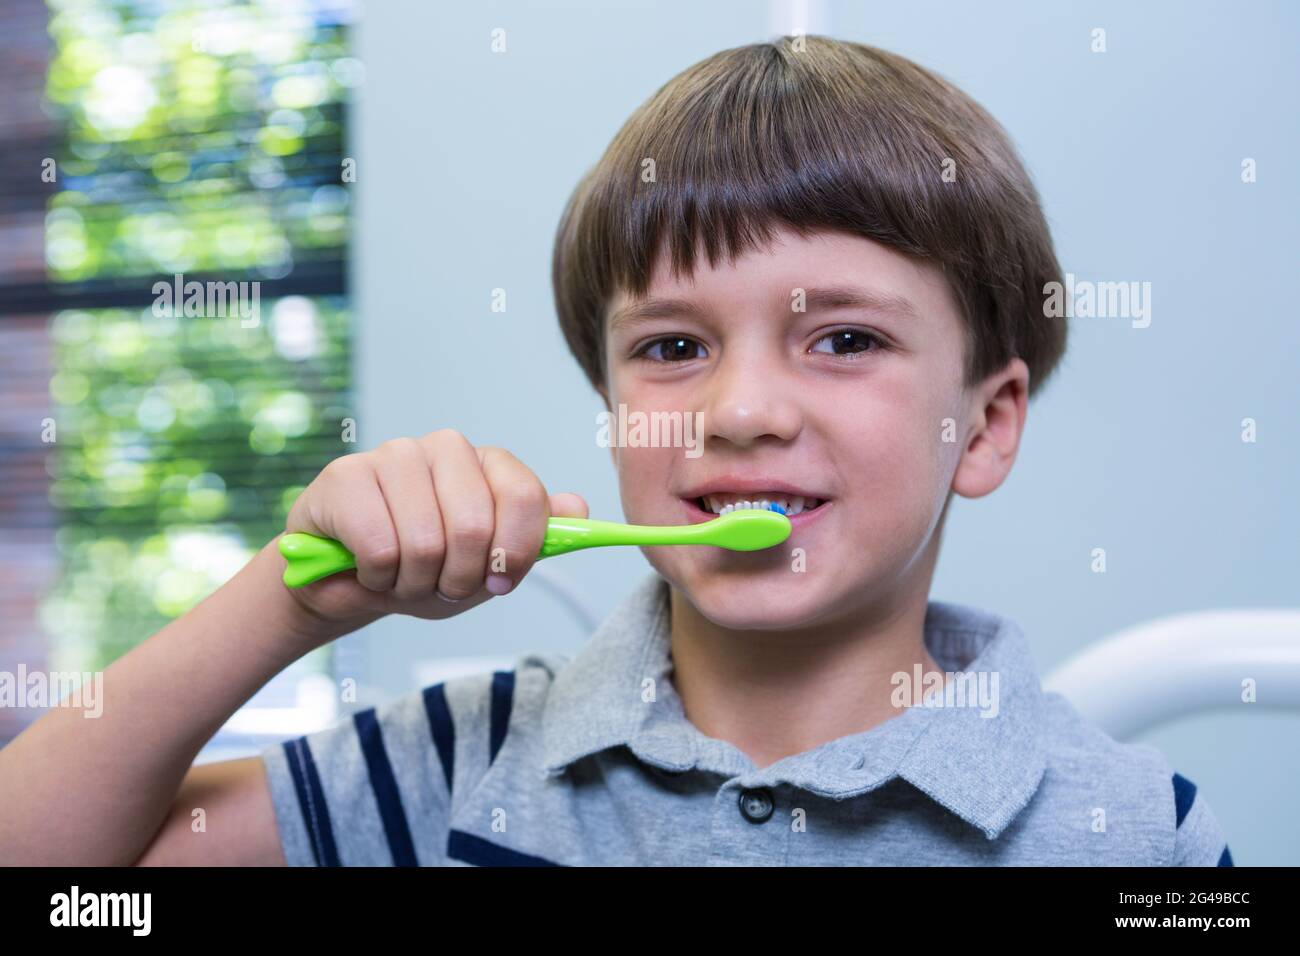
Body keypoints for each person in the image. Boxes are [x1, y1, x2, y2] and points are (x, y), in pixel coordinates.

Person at [0, 35, 1231, 866]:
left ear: (988, 422)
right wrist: (283, 601)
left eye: (843, 337)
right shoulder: (454, 762)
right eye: (673, 348)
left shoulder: (1140, 835)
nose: (741, 407)